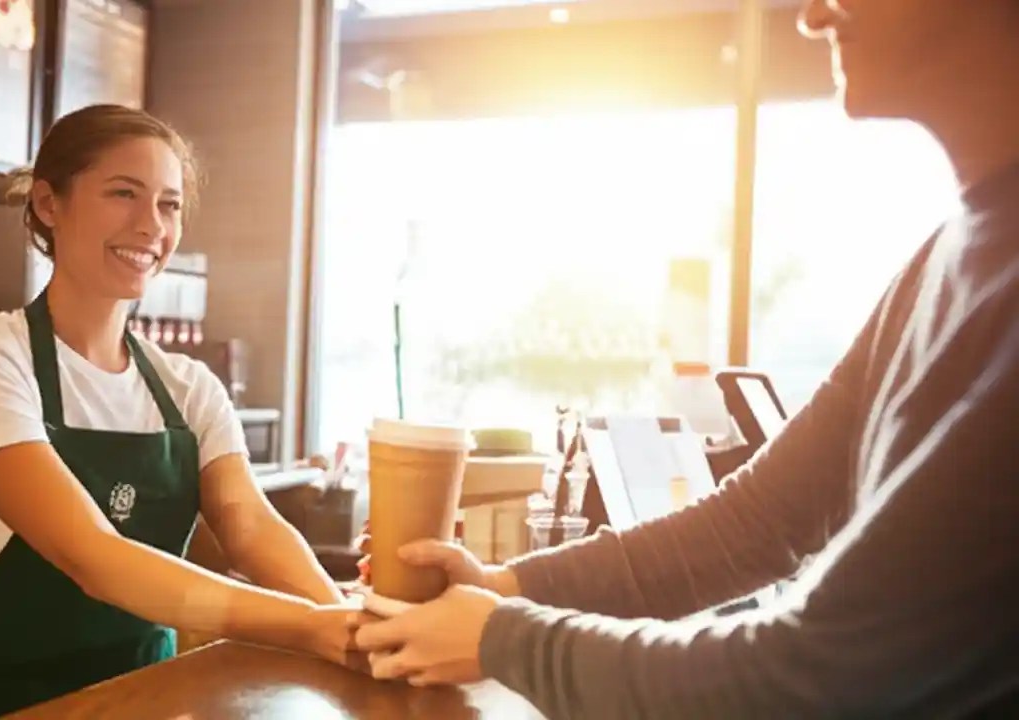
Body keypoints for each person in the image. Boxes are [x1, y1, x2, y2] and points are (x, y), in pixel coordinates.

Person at [353, 1, 1019, 717]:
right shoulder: (942, 259)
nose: (815, 15)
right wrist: (505, 588)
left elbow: (815, 679)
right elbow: (757, 521)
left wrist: (503, 638)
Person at [0, 105, 360, 719]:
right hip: (3, 702)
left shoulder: (188, 386)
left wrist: (347, 624)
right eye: (124, 193)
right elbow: (92, 556)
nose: (151, 225)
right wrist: (310, 626)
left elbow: (251, 529)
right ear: (49, 204)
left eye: (169, 205)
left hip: (149, 700)